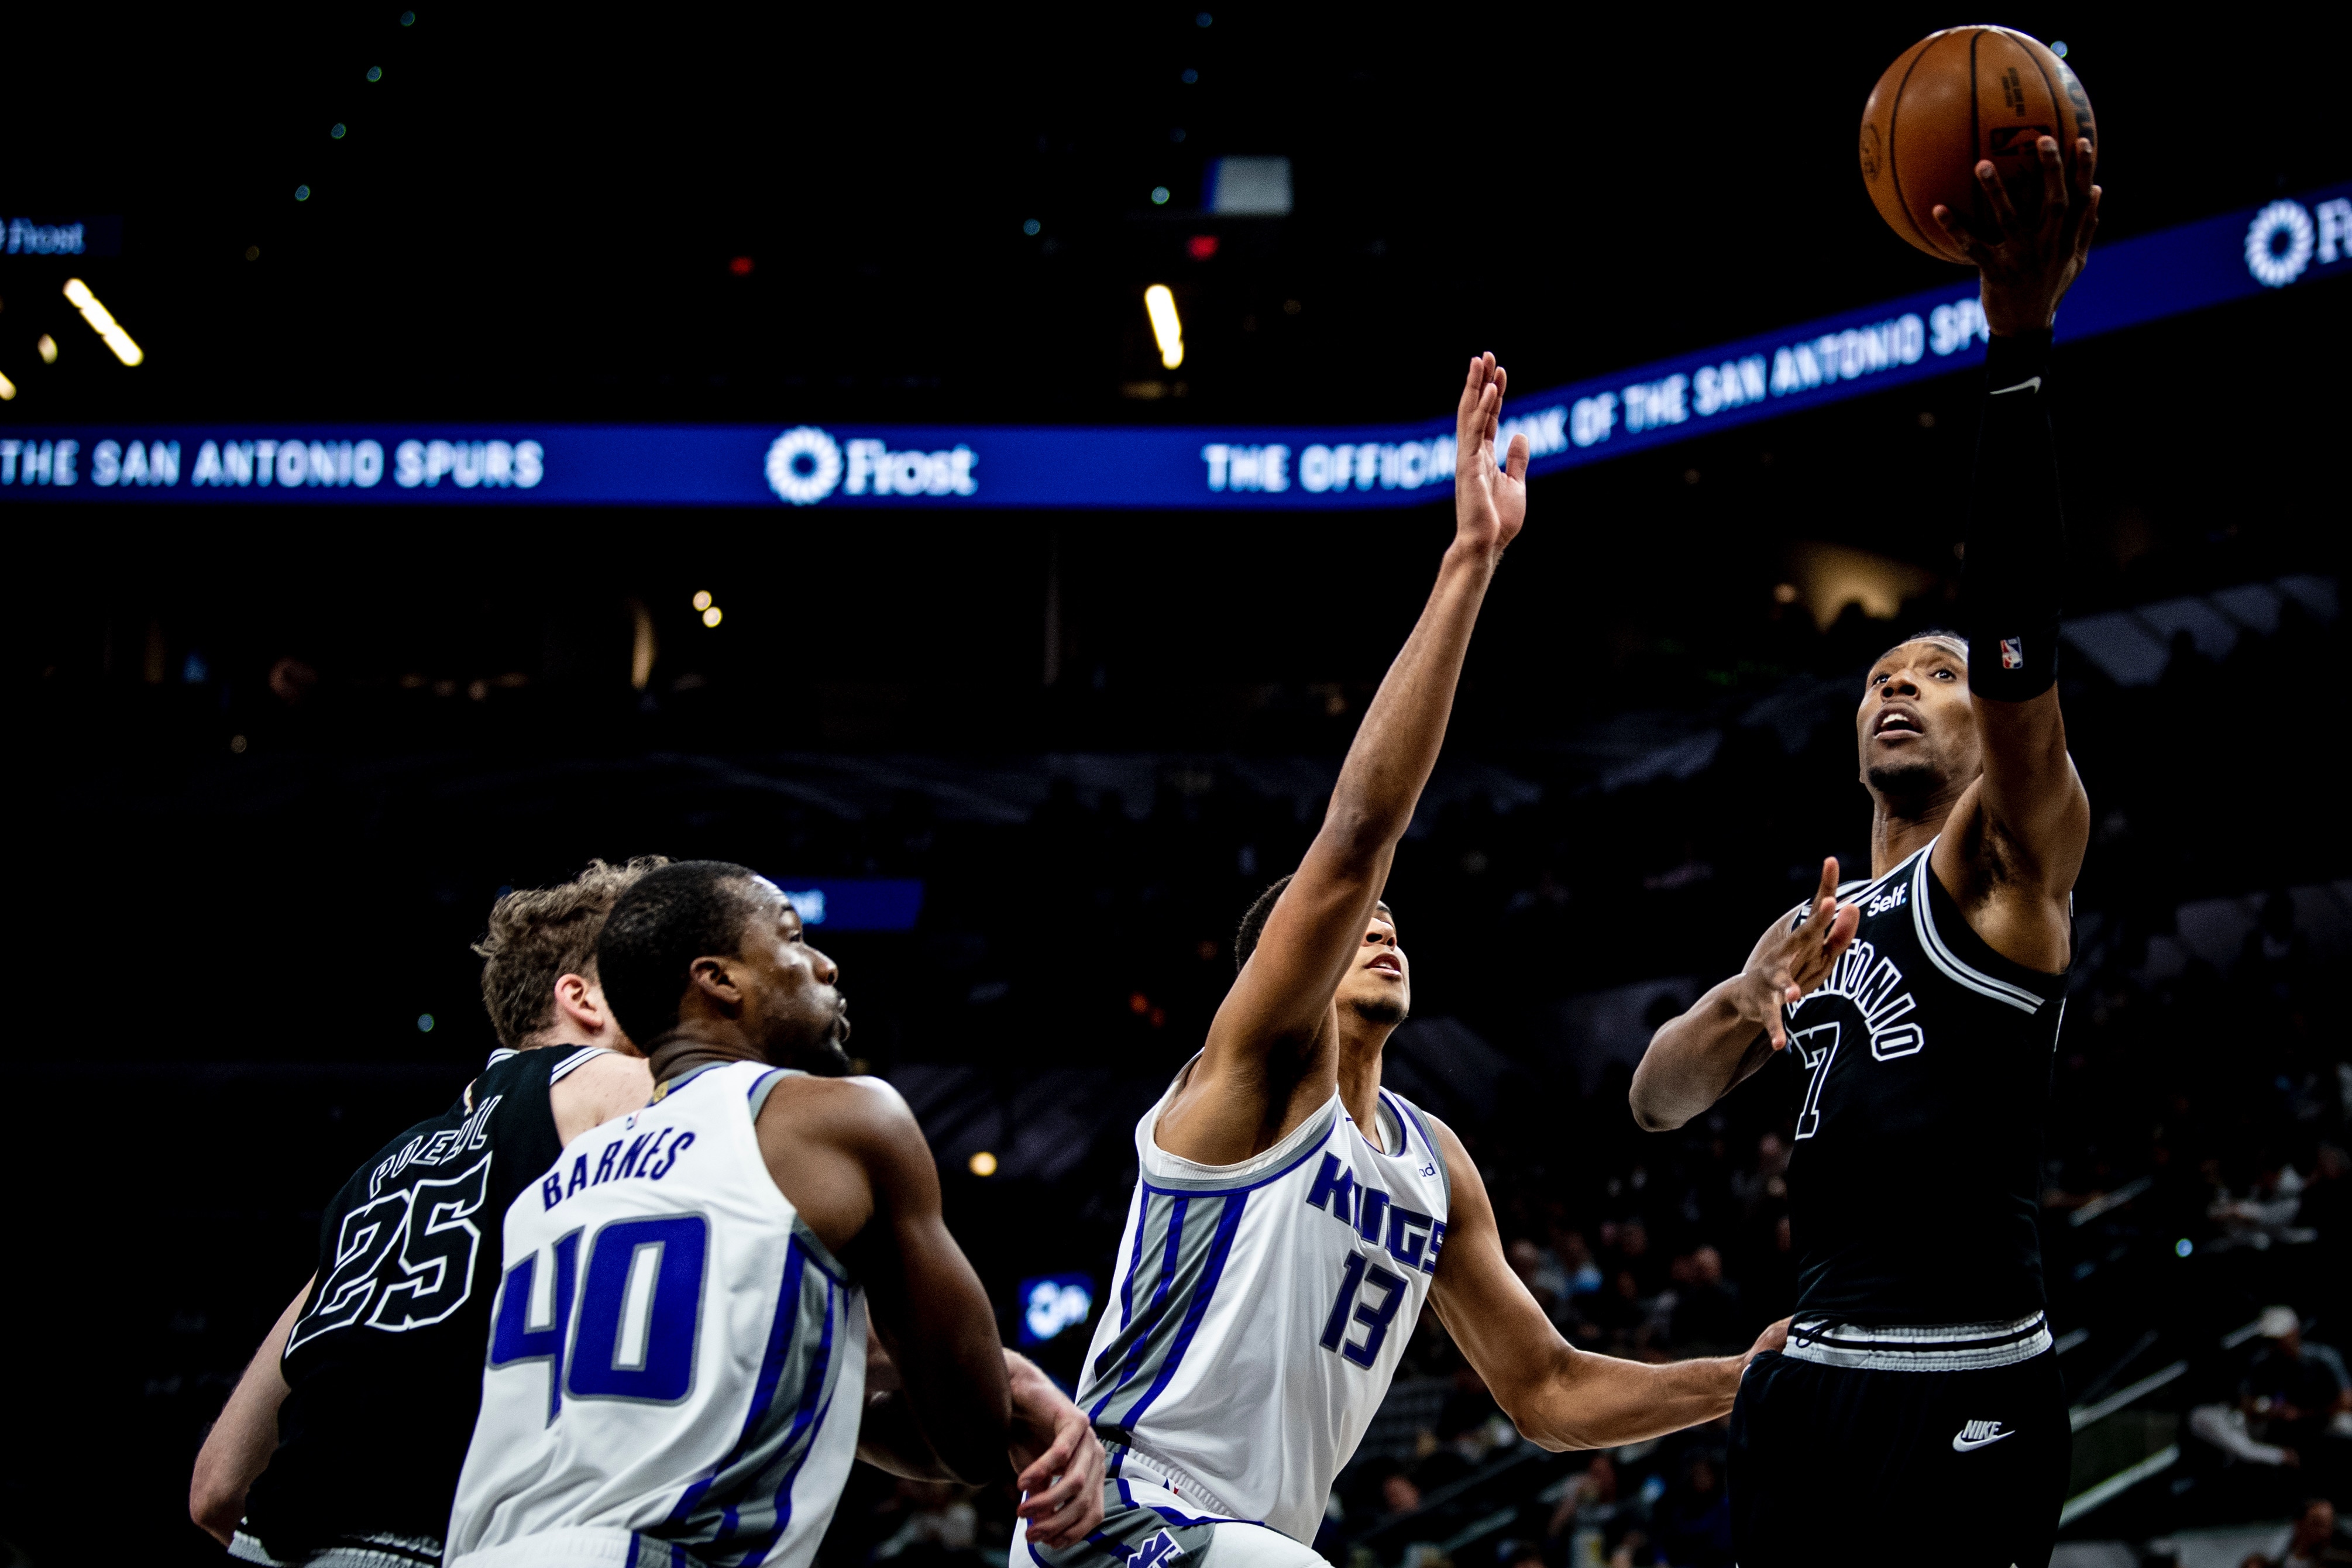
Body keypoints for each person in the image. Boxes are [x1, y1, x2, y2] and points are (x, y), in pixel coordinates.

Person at [1025, 357, 1786, 1568]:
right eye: (1352, 923)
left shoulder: (1433, 1166)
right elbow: (1356, 840)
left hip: (1250, 1539)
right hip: (1131, 1510)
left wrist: (1739, 1379)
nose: (1382, 924)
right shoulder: (1258, 1077)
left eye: (1393, 920)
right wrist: (1470, 559)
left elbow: (1549, 1389)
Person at [1629, 133, 2102, 1567]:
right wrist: (1745, 994)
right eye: (1880, 673)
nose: (1899, 682)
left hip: (1960, 1380)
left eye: (1935, 670)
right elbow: (1656, 1098)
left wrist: (2012, 350)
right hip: (1813, 1379)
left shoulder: (2007, 862)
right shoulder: (1822, 918)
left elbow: (2021, 656)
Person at [445, 861, 1102, 1568]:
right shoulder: (842, 1117)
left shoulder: (560, 1176)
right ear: (719, 980)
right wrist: (1013, 1389)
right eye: (793, 939)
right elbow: (970, 1437)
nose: (825, 963)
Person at [191, 859, 675, 1567]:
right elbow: (774, 1124)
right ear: (585, 1000)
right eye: (660, 981)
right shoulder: (602, 1082)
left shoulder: (378, 1178)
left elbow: (216, 1488)